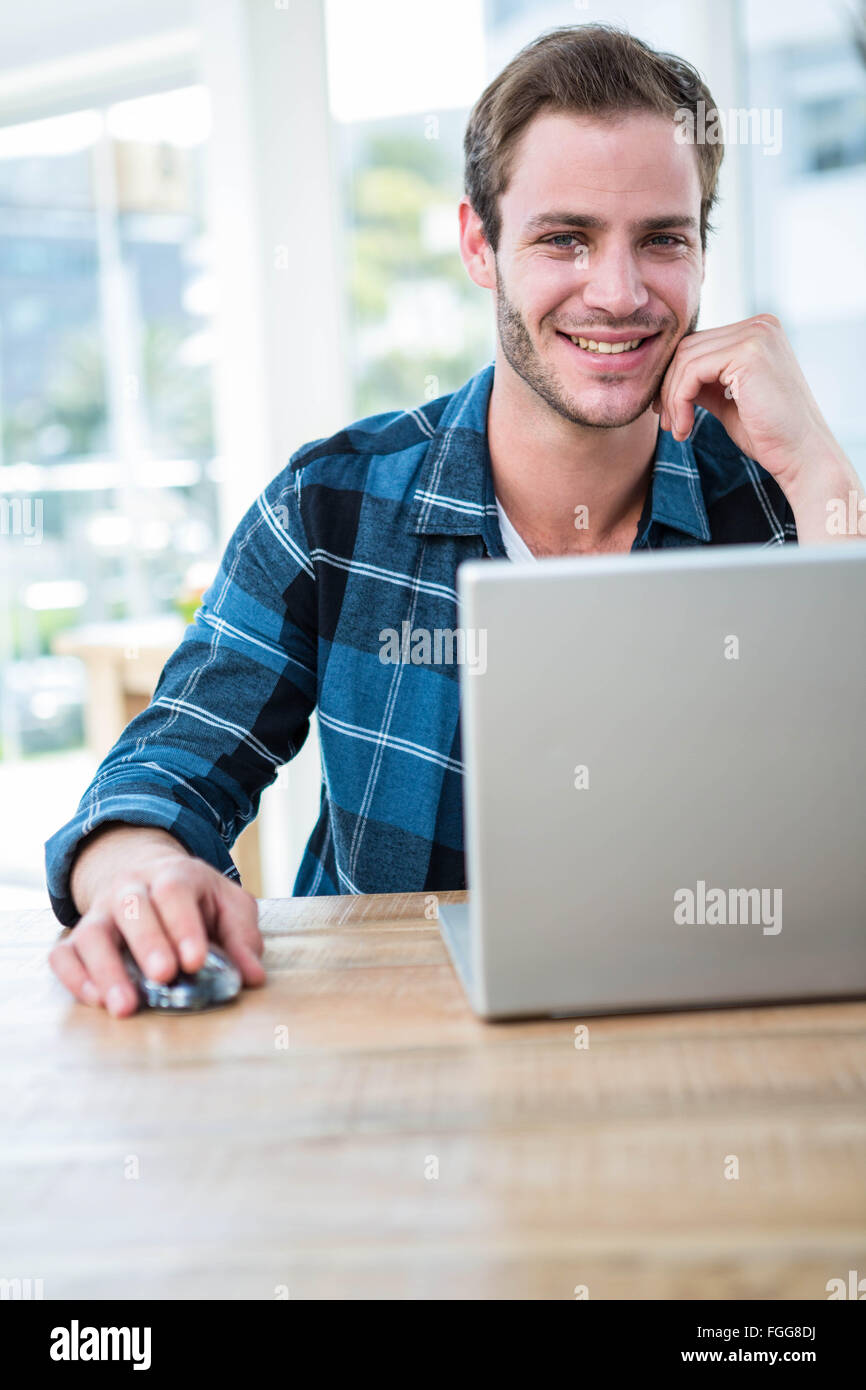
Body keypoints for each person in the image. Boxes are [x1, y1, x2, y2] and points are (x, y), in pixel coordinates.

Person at [45, 24, 864, 1016]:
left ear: (700, 250)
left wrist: (820, 469)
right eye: (563, 237)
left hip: (714, 1061)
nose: (617, 292)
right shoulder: (333, 503)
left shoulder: (781, 501)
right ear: (479, 245)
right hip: (397, 1071)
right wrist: (139, 872)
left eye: (661, 238)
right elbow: (167, 766)